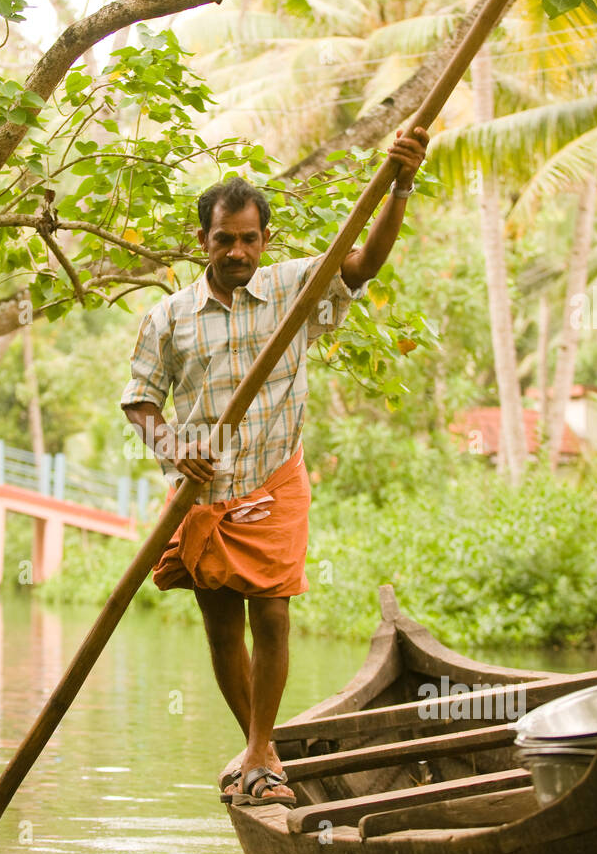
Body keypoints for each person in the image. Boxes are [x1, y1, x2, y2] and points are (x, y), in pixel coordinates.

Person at [121, 128, 429, 806]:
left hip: (272, 479)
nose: (237, 252)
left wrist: (400, 183)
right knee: (220, 624)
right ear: (200, 240)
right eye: (223, 239)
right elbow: (140, 403)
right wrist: (172, 446)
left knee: (273, 614)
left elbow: (363, 263)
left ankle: (261, 752)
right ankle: (259, 747)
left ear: (265, 239)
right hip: (201, 491)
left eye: (249, 239)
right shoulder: (166, 318)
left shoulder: (295, 285)